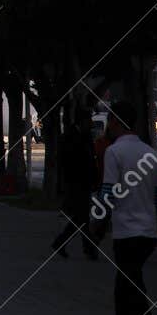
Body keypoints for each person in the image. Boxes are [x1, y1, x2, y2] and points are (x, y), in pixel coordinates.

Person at [96, 99, 157, 315]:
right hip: (148, 233)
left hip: (126, 232)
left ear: (116, 122)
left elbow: (108, 192)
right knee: (125, 290)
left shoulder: (114, 153)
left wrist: (97, 224)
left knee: (133, 293)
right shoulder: (150, 154)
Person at [50, 104, 99, 261]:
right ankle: (85, 247)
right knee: (81, 217)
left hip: (84, 183)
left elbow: (92, 159)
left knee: (81, 218)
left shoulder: (86, 136)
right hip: (75, 183)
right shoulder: (70, 137)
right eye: (88, 119)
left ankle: (69, 244)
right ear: (82, 121)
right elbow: (66, 162)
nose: (91, 123)